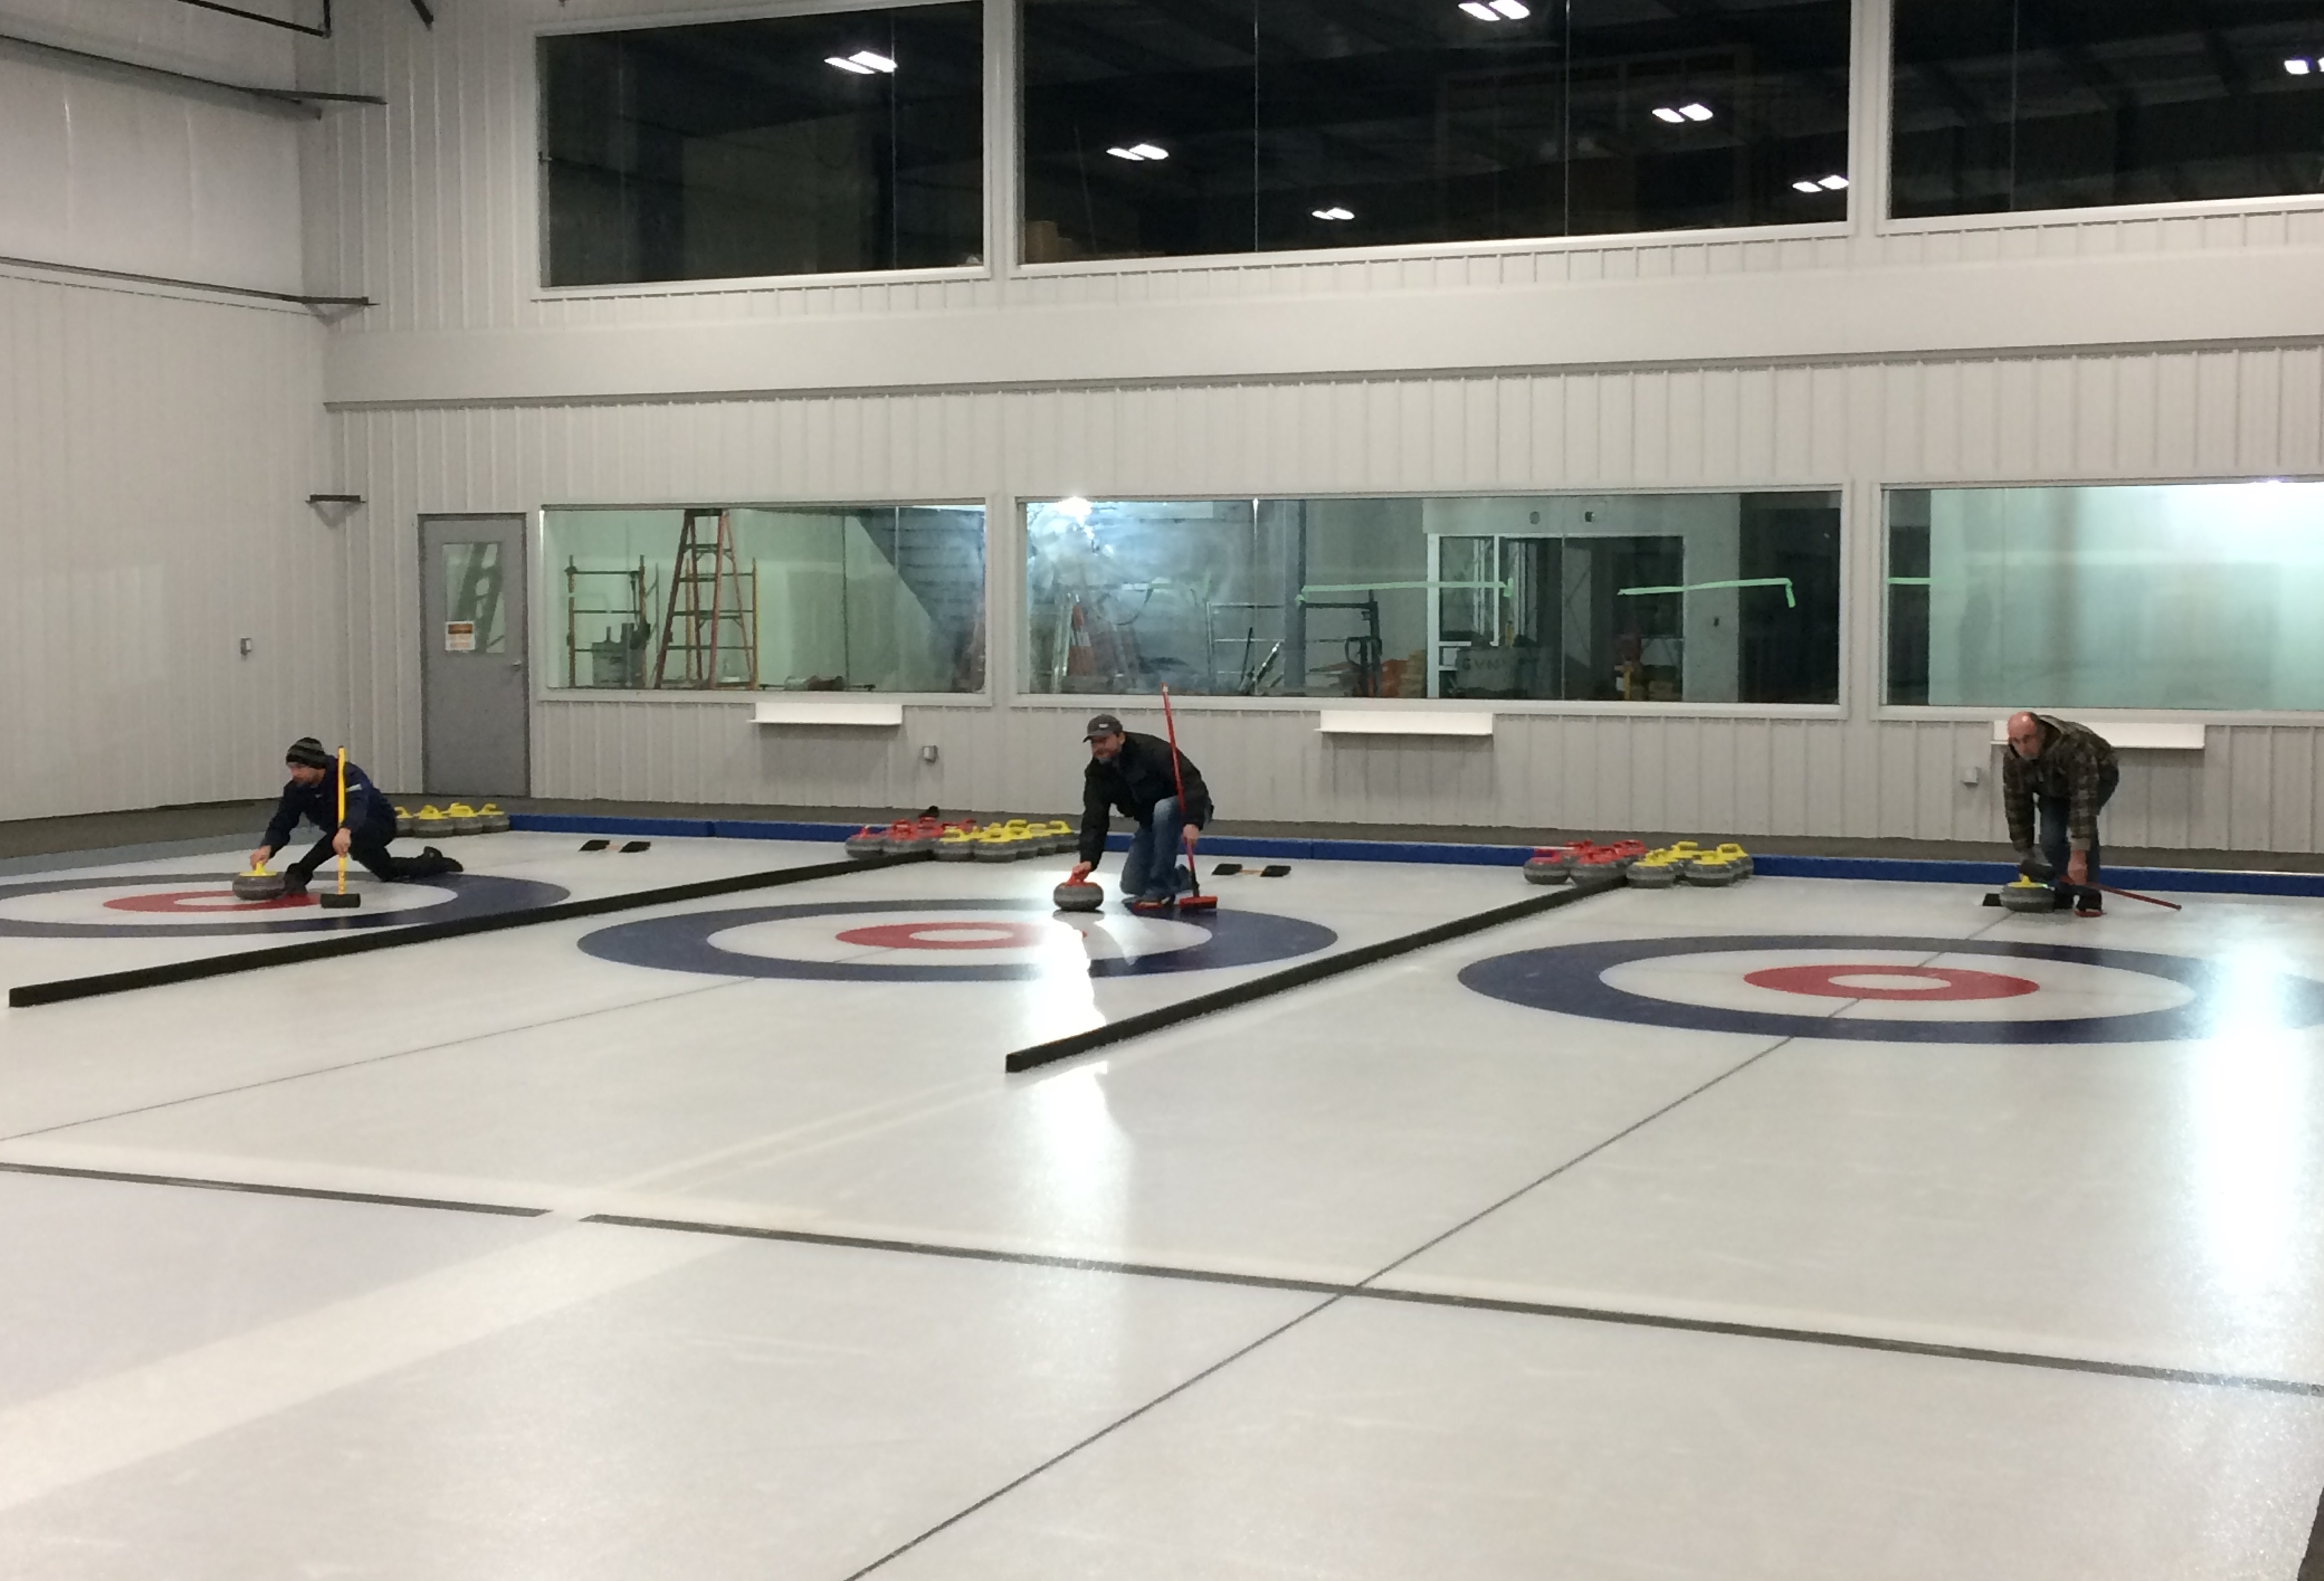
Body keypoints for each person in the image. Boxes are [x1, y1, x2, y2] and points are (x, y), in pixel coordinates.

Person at [250, 737, 461, 894]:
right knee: (388, 873)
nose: (294, 773)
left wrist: (346, 829)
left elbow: (359, 804)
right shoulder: (297, 788)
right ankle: (433, 862)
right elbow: (283, 820)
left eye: (300, 767)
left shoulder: (348, 775)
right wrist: (268, 846)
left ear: (317, 765)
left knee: (341, 835)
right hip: (343, 835)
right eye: (291, 768)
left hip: (377, 825)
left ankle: (300, 872)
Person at [1067, 712, 1213, 910]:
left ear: (1120, 737)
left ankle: (1159, 886)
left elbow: (1193, 784)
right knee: (1131, 885)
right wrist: (1088, 859)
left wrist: (1192, 821)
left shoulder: (1152, 750)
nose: (1099, 748)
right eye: (1094, 743)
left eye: (1104, 741)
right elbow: (1095, 817)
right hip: (1152, 821)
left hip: (1188, 807)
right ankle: (1180, 878)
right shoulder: (1097, 773)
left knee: (1163, 809)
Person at [2001, 711, 2118, 916]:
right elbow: (2017, 805)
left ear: (2041, 733)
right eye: (2016, 742)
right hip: (2052, 786)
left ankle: (2090, 893)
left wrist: (2078, 856)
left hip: (2098, 775)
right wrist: (2025, 856)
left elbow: (2083, 804)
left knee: (2081, 830)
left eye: (2028, 739)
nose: (2023, 747)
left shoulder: (2073, 745)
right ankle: (2067, 885)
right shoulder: (2013, 759)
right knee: (2050, 840)